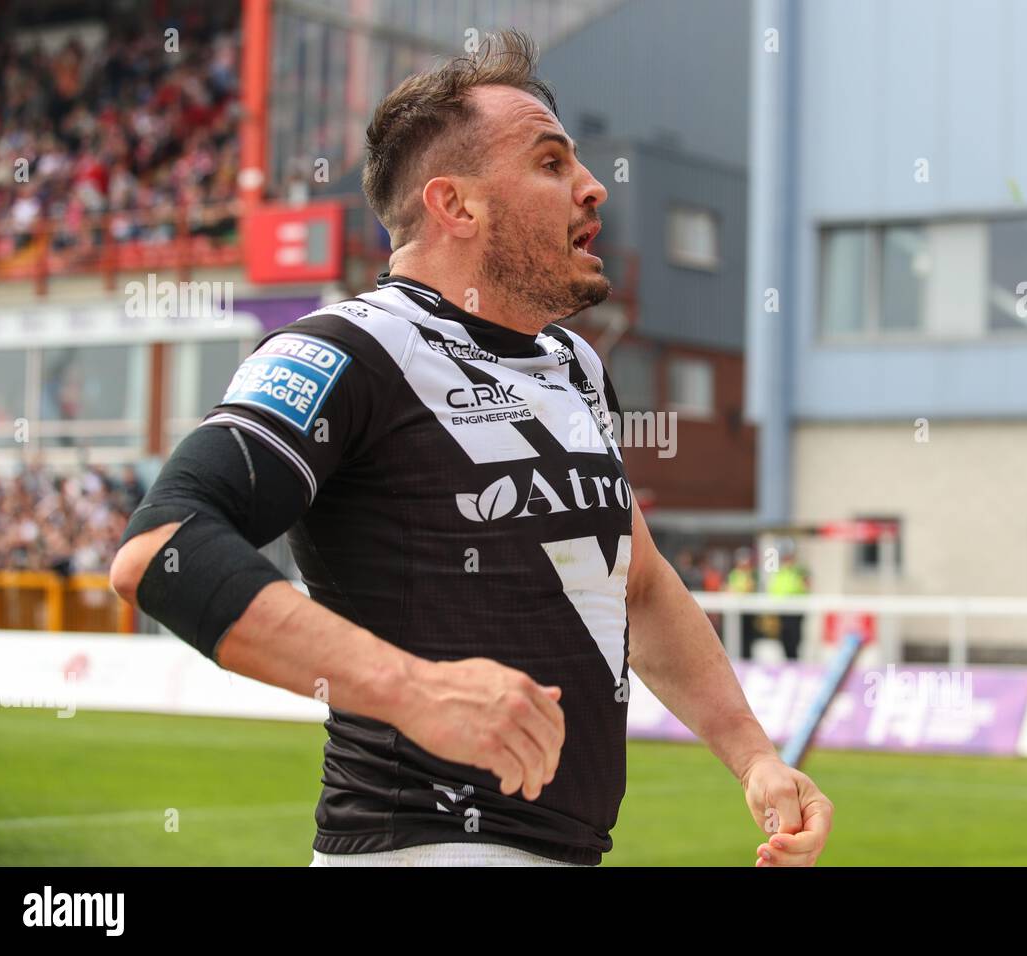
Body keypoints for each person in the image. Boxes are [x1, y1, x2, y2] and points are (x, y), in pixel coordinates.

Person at [110, 31, 831, 868]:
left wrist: (753, 755)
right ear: (454, 206)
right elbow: (161, 551)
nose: (593, 188)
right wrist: (412, 691)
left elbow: (637, 583)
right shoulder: (350, 348)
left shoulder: (577, 367)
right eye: (552, 164)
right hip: (417, 847)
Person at [767, 547, 810, 660]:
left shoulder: (799, 571)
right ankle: (788, 660)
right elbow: (774, 589)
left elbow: (805, 587)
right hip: (782, 609)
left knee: (794, 638)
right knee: (784, 637)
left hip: (796, 609)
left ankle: (793, 660)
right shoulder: (780, 572)